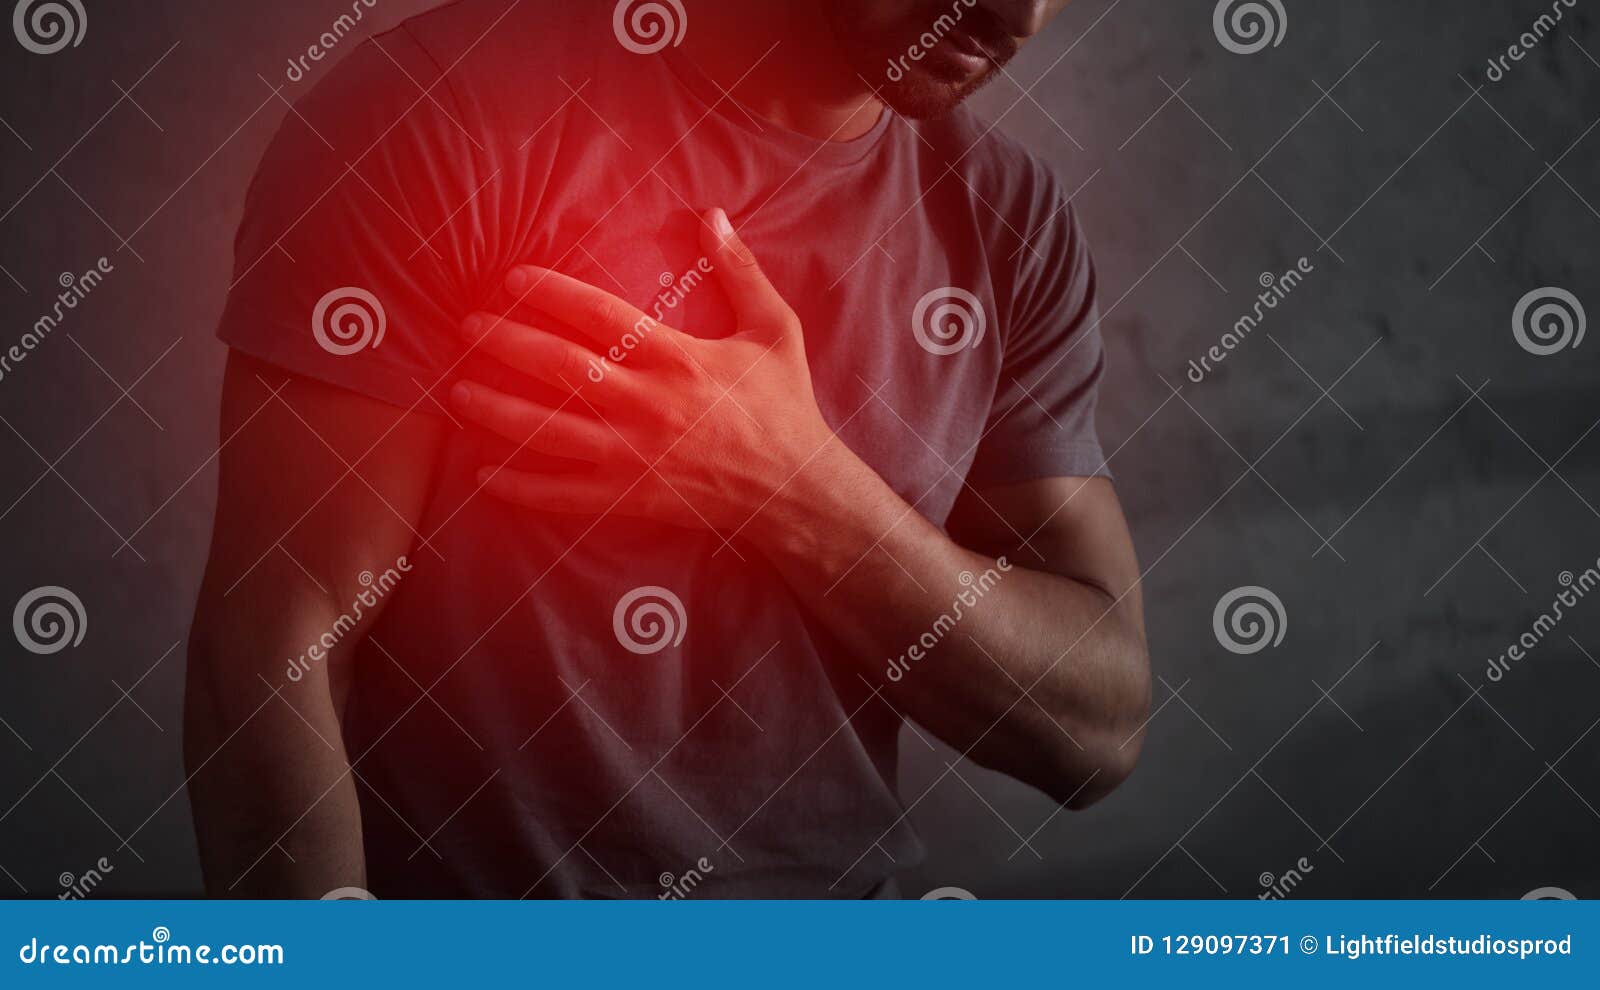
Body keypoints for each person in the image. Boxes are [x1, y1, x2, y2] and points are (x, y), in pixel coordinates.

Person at [185, 0, 1151, 899]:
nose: (1018, 11)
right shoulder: (448, 114)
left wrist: (791, 485)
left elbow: (1096, 731)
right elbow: (273, 654)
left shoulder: (1006, 221)